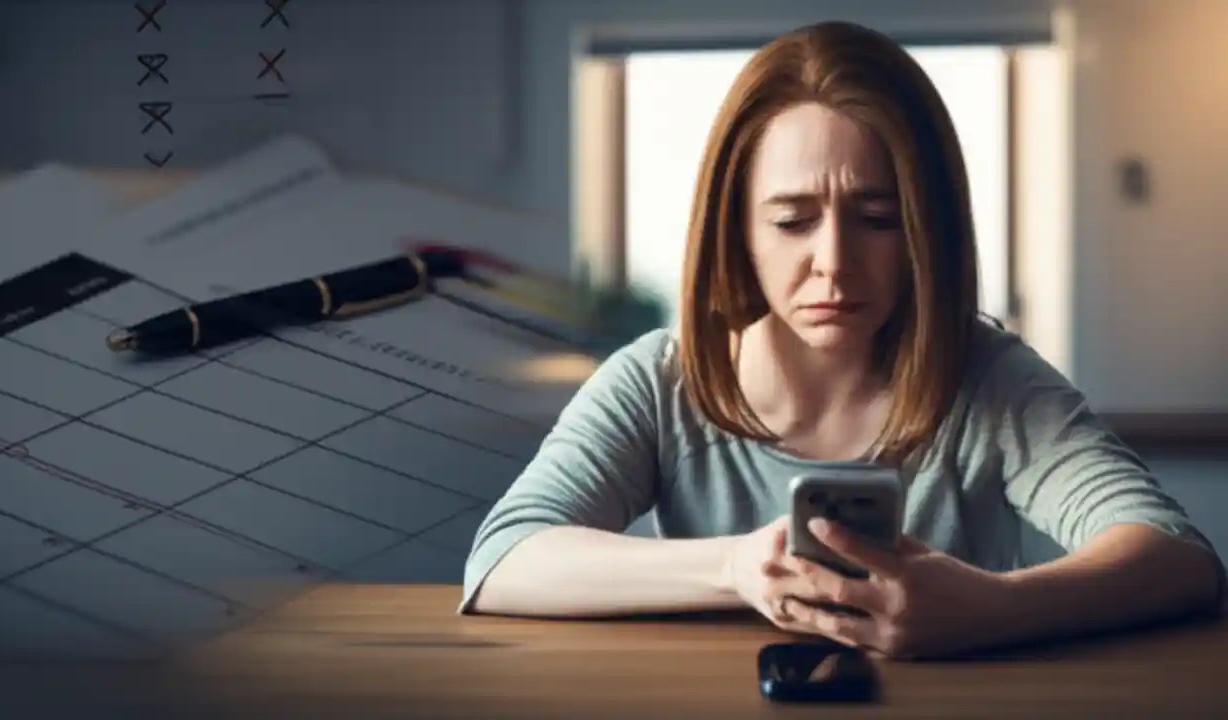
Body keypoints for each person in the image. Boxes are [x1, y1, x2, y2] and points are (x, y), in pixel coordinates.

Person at [458, 21, 1225, 660]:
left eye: (879, 219)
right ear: (738, 231)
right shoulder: (657, 381)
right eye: (792, 221)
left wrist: (996, 607)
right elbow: (504, 561)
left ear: (928, 226)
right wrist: (734, 566)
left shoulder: (992, 381)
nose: (834, 263)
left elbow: (1179, 557)